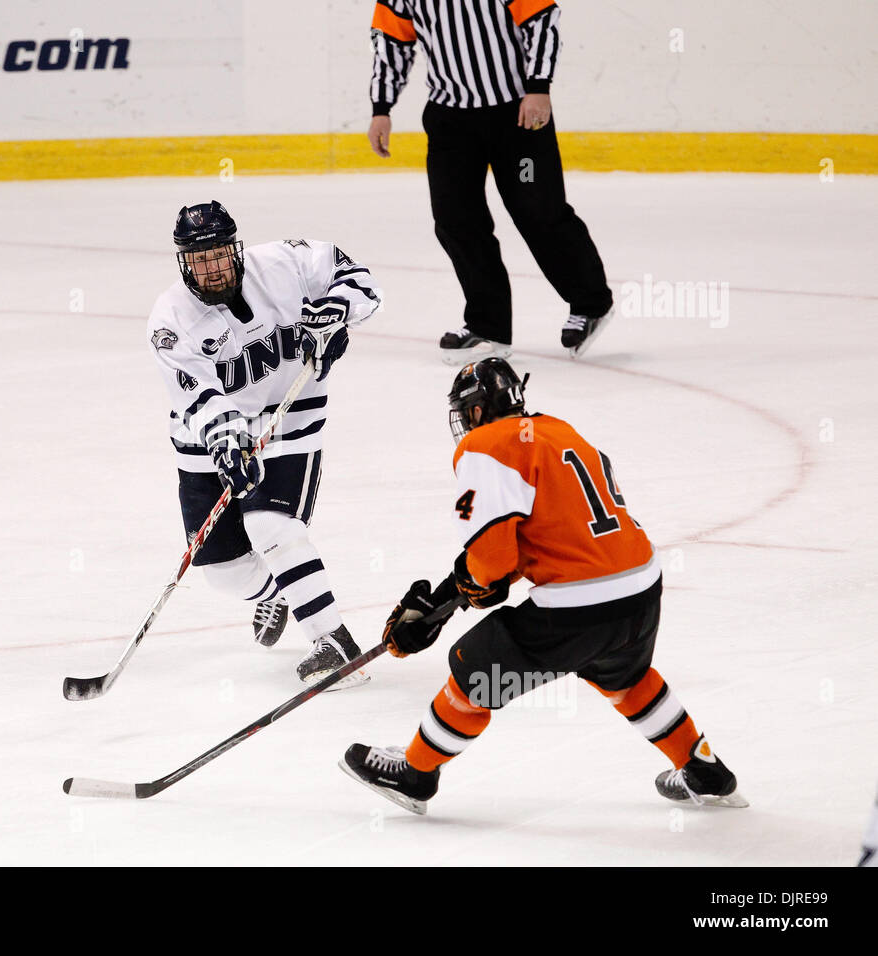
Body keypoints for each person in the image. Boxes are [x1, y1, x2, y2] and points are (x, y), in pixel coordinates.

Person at [341, 358, 747, 812]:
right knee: (626, 676)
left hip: (579, 604)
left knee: (474, 672)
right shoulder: (559, 430)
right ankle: (704, 770)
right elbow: (546, 535)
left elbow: (494, 561)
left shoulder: (485, 445)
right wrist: (446, 596)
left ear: (476, 411)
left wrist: (466, 590)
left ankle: (414, 775)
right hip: (641, 588)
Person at [146, 201, 383, 687]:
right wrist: (227, 443)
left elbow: (358, 278)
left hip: (289, 419)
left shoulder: (286, 262)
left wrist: (336, 314)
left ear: (236, 248)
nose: (210, 269)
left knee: (270, 523)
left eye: (218, 254)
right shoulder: (169, 319)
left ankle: (333, 641)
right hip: (204, 440)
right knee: (224, 572)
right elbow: (198, 396)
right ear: (183, 262)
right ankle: (280, 590)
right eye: (198, 259)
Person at [367, 1, 615, 362]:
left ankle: (591, 303)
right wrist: (381, 109)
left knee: (538, 210)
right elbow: (391, 43)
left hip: (518, 118)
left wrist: (539, 87)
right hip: (450, 122)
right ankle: (488, 325)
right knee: (455, 220)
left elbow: (542, 21)